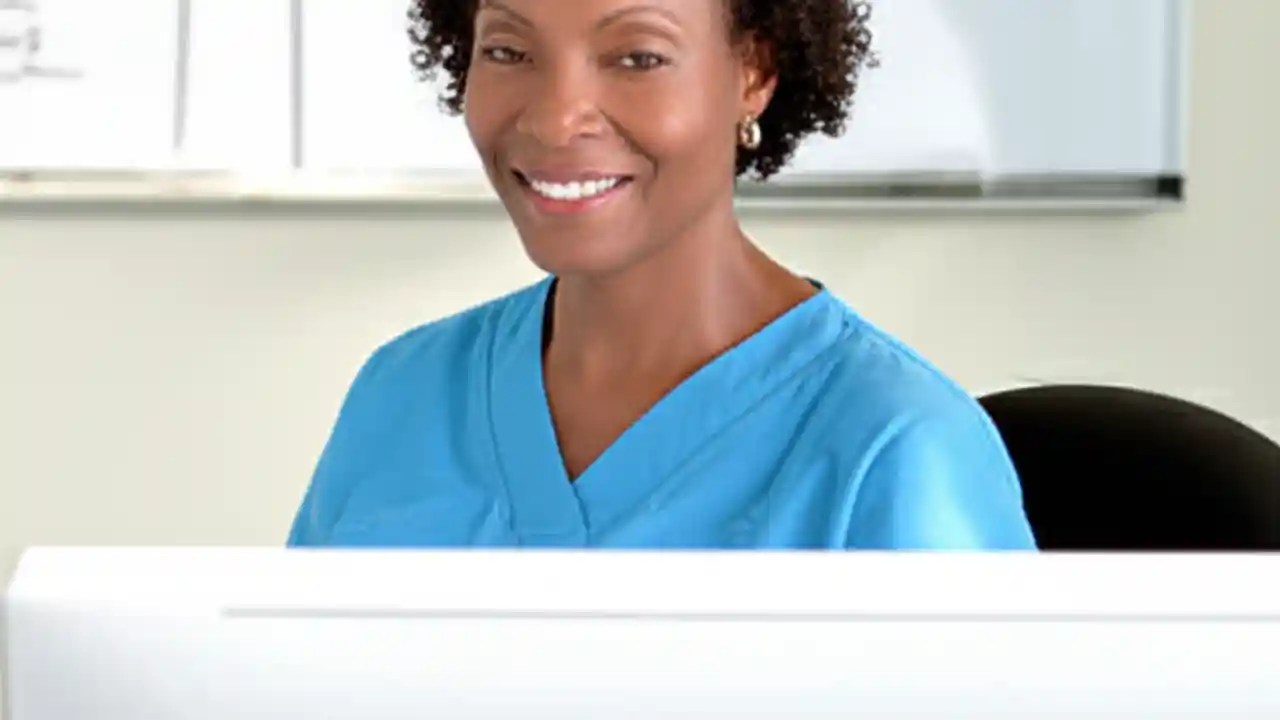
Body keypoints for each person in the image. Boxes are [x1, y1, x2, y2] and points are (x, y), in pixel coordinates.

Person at [286, 0, 1036, 550]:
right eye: (510, 52)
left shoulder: (896, 451)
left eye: (637, 57)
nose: (555, 120)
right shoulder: (403, 393)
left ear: (755, 73)